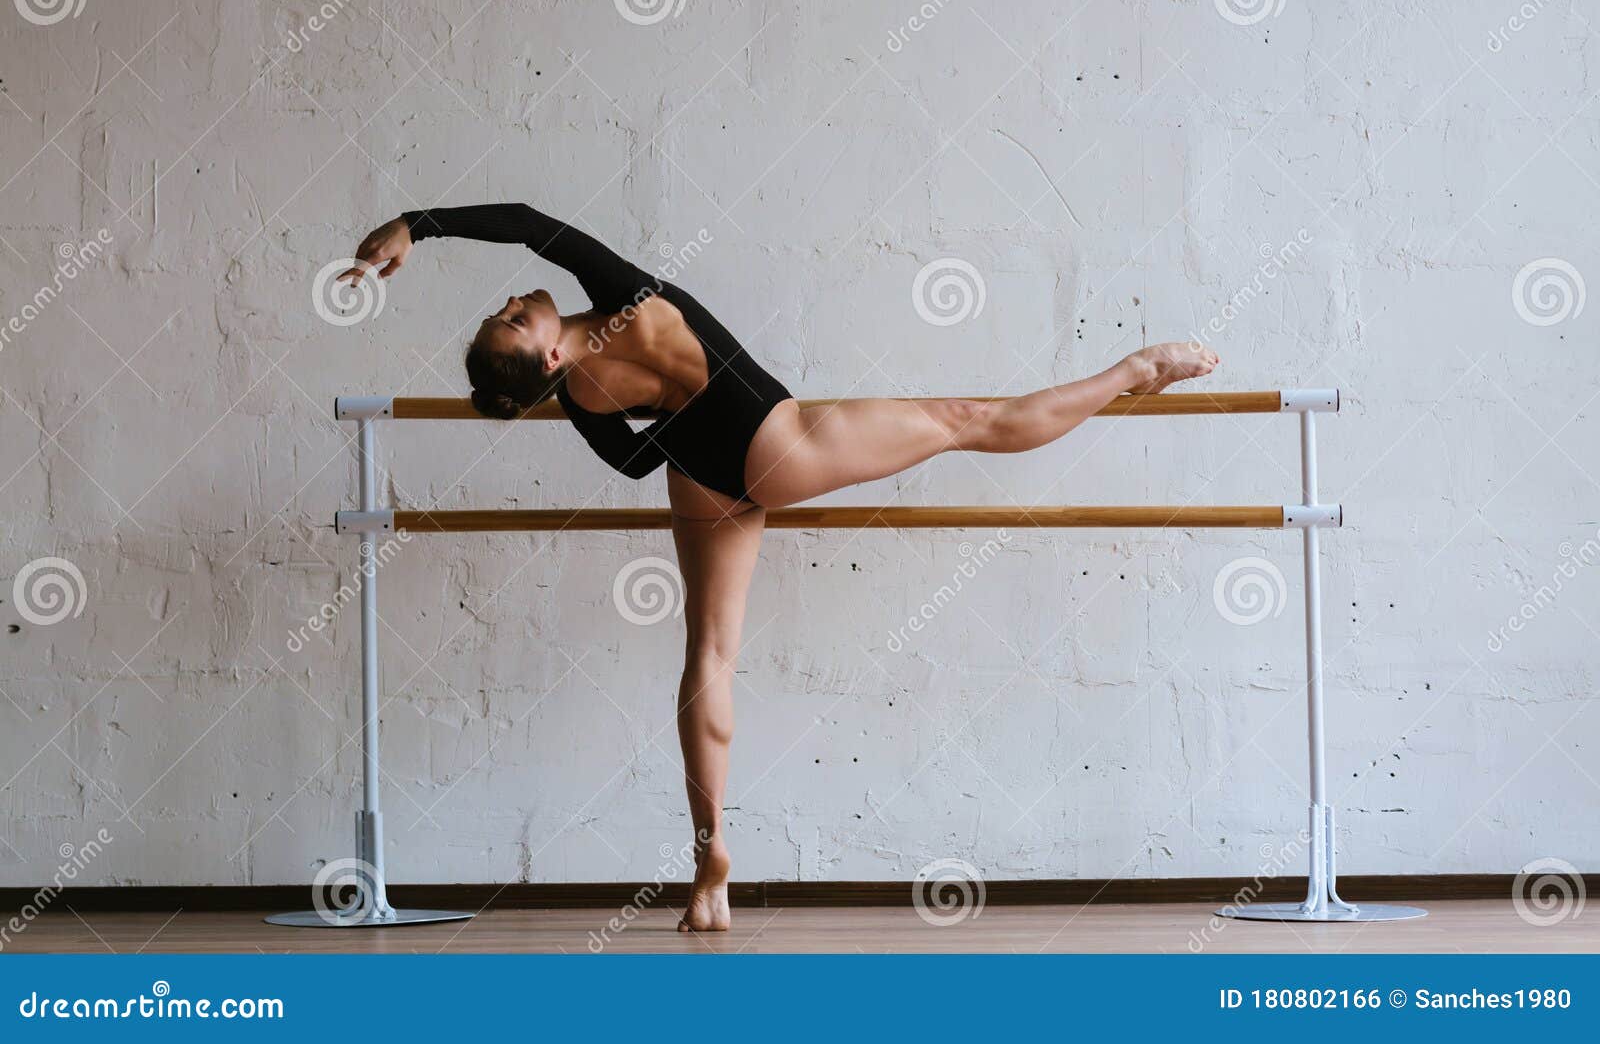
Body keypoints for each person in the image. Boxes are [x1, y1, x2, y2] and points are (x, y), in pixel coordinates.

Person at [345, 203, 1219, 932]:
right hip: (777, 444)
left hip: (702, 479)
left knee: (709, 660)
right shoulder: (615, 300)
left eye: (504, 308)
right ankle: (1137, 368)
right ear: (544, 353)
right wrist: (415, 226)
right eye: (514, 318)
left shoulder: (576, 394)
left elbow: (632, 465)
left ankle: (709, 869)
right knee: (969, 418)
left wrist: (691, 427)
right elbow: (534, 225)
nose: (513, 300)